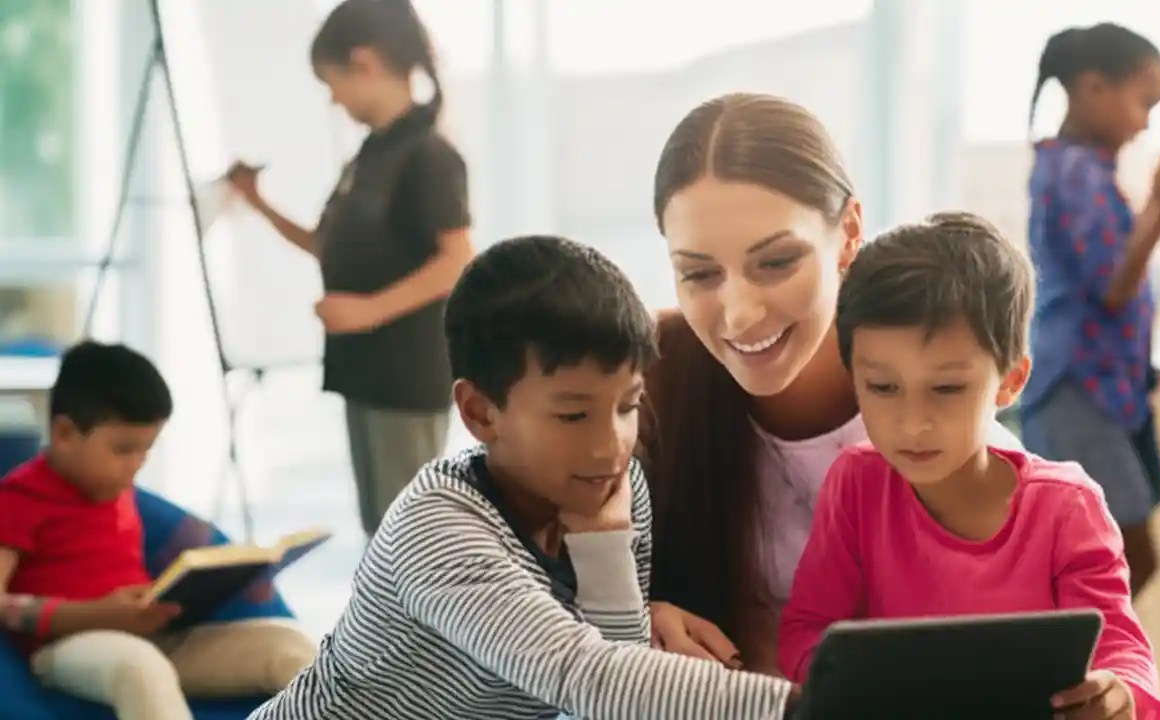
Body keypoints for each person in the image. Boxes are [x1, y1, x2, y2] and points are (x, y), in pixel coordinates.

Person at [249, 235, 803, 720]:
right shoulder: (436, 526)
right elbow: (586, 678)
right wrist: (805, 708)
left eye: (628, 405)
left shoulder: (614, 489)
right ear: (480, 413)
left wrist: (605, 549)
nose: (611, 444)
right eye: (572, 415)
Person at [642, 93, 1022, 672]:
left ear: (848, 232)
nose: (739, 314)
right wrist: (627, 614)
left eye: (775, 263)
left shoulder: (930, 396)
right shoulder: (649, 379)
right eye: (698, 273)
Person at [778, 213, 1160, 720]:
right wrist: (846, 685)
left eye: (946, 389)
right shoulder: (856, 483)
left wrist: (1118, 693)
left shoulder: (1067, 507)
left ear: (1010, 380)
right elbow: (806, 630)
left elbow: (1121, 649)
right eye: (882, 387)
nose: (913, 422)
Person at [228, 0, 471, 538]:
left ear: (365, 63)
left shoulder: (427, 154)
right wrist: (258, 202)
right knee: (379, 528)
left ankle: (409, 628)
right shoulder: (371, 155)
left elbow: (457, 260)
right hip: (365, 368)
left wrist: (368, 311)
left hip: (404, 372)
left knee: (405, 535)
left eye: (332, 82)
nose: (333, 99)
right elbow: (331, 247)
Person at [0, 341, 315, 720]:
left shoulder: (120, 492)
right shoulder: (18, 498)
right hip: (68, 648)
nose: (136, 464)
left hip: (157, 638)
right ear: (65, 434)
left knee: (287, 644)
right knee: (140, 666)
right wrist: (94, 614)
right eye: (123, 449)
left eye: (146, 450)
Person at [1019, 23, 1160, 596]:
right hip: (1077, 393)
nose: (1145, 122)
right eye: (1143, 102)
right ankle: (1067, 673)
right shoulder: (1075, 171)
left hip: (1093, 391)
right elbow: (1113, 285)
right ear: (1093, 88)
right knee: (1123, 560)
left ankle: (1073, 669)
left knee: (1111, 559)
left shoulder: (1080, 168)